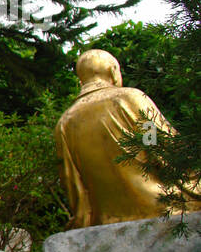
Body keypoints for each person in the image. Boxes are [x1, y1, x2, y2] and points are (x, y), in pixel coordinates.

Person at [54, 49, 201, 227]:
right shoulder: (129, 98)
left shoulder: (64, 123)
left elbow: (73, 185)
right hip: (158, 202)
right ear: (113, 71)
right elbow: (160, 147)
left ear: (81, 80)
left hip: (104, 218)